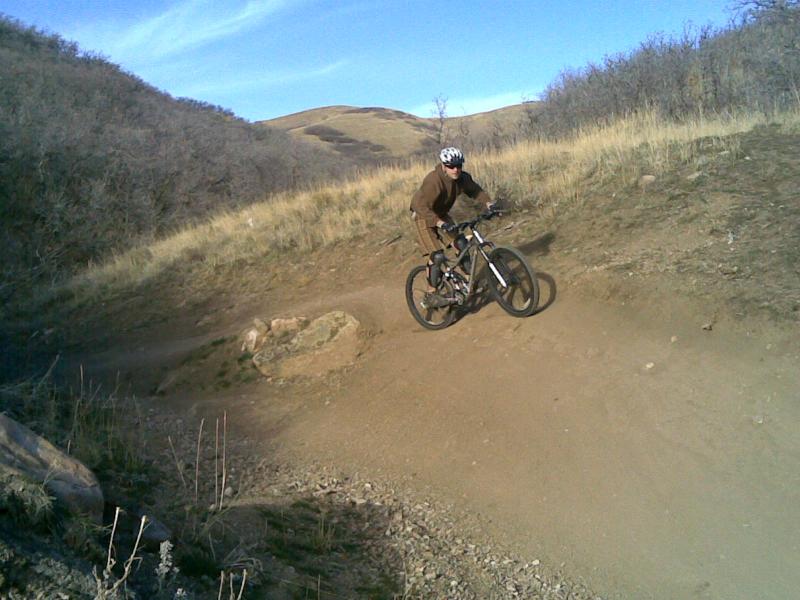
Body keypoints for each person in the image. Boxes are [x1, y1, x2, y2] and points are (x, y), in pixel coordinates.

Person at [410, 147, 495, 304]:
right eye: (451, 166)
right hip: (423, 216)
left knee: (461, 243)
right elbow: (419, 205)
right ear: (443, 166)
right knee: (437, 256)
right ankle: (431, 294)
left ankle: (469, 282)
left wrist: (489, 204)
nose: (456, 170)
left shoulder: (462, 178)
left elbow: (476, 191)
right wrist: (439, 223)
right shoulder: (434, 181)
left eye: (459, 166)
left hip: (441, 214)